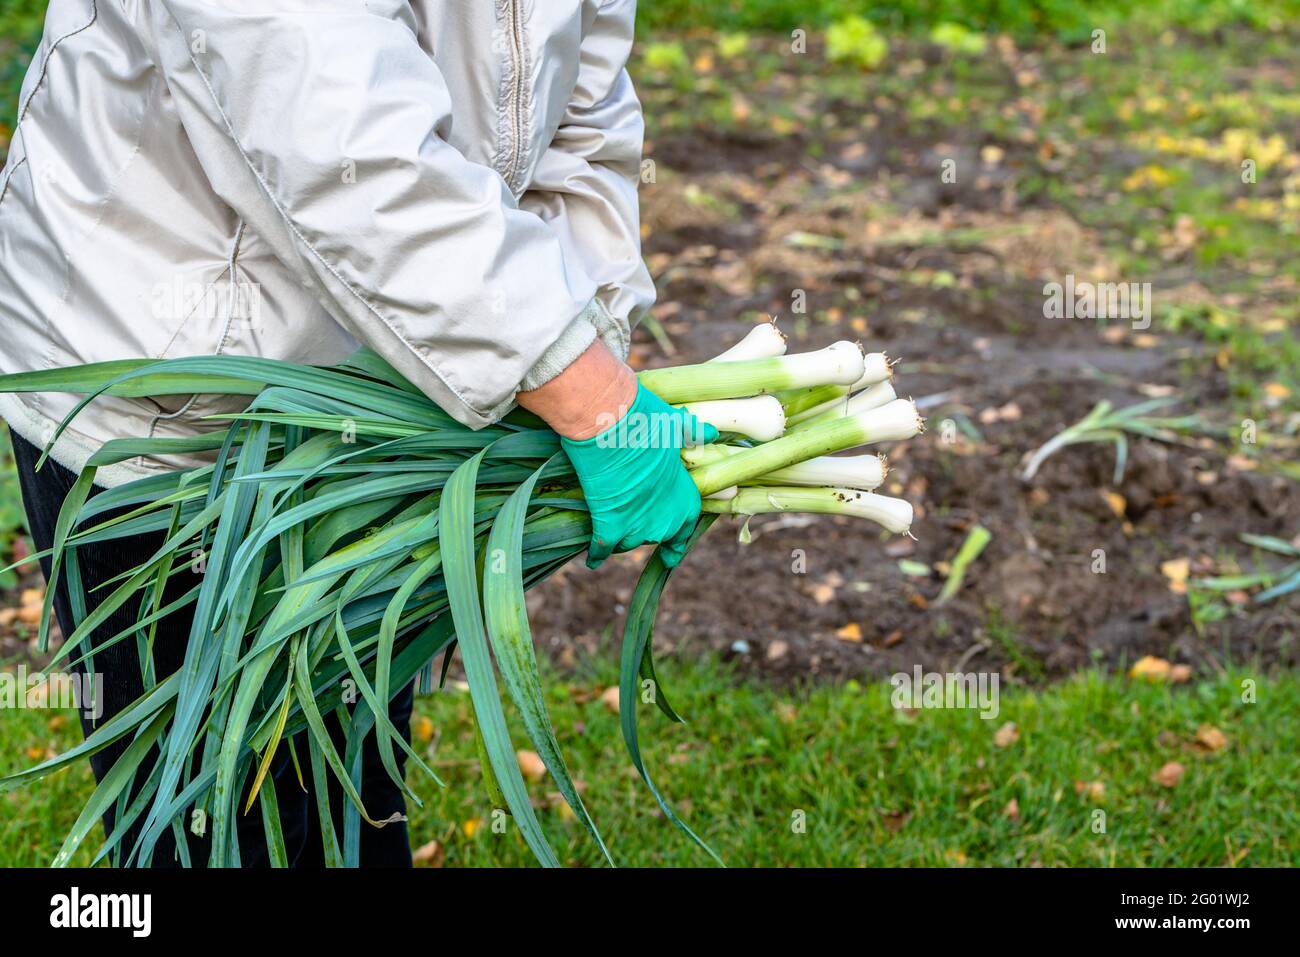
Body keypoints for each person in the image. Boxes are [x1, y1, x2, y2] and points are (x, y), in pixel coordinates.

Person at [0, 0, 711, 866]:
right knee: (207, 813)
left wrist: (589, 328)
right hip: (170, 389)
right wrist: (587, 392)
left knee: (349, 779)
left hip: (378, 396)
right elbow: (337, 134)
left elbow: (581, 107)